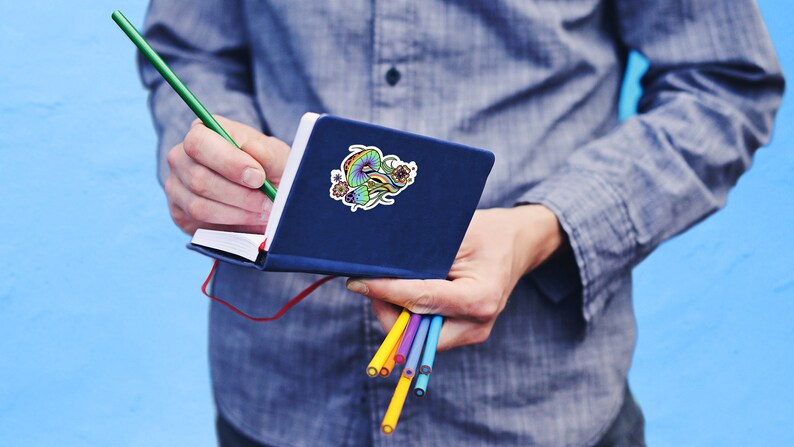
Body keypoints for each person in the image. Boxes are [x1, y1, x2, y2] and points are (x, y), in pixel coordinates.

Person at [139, 1, 784, 445]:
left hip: (537, 404)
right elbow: (191, 48)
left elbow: (722, 83)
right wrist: (214, 151)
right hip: (278, 394)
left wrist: (541, 228)